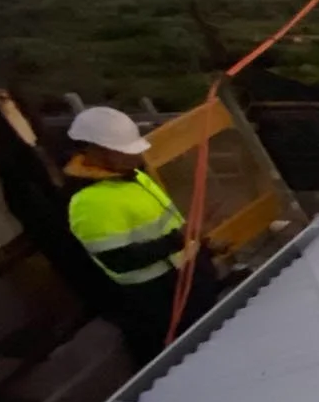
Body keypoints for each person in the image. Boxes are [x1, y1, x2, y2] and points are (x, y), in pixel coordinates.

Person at [64, 106, 219, 358]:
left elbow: (165, 226)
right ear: (94, 150)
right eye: (124, 152)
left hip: (189, 282)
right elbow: (120, 260)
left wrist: (201, 247)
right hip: (161, 299)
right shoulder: (88, 202)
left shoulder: (134, 176)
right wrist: (182, 238)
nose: (135, 158)